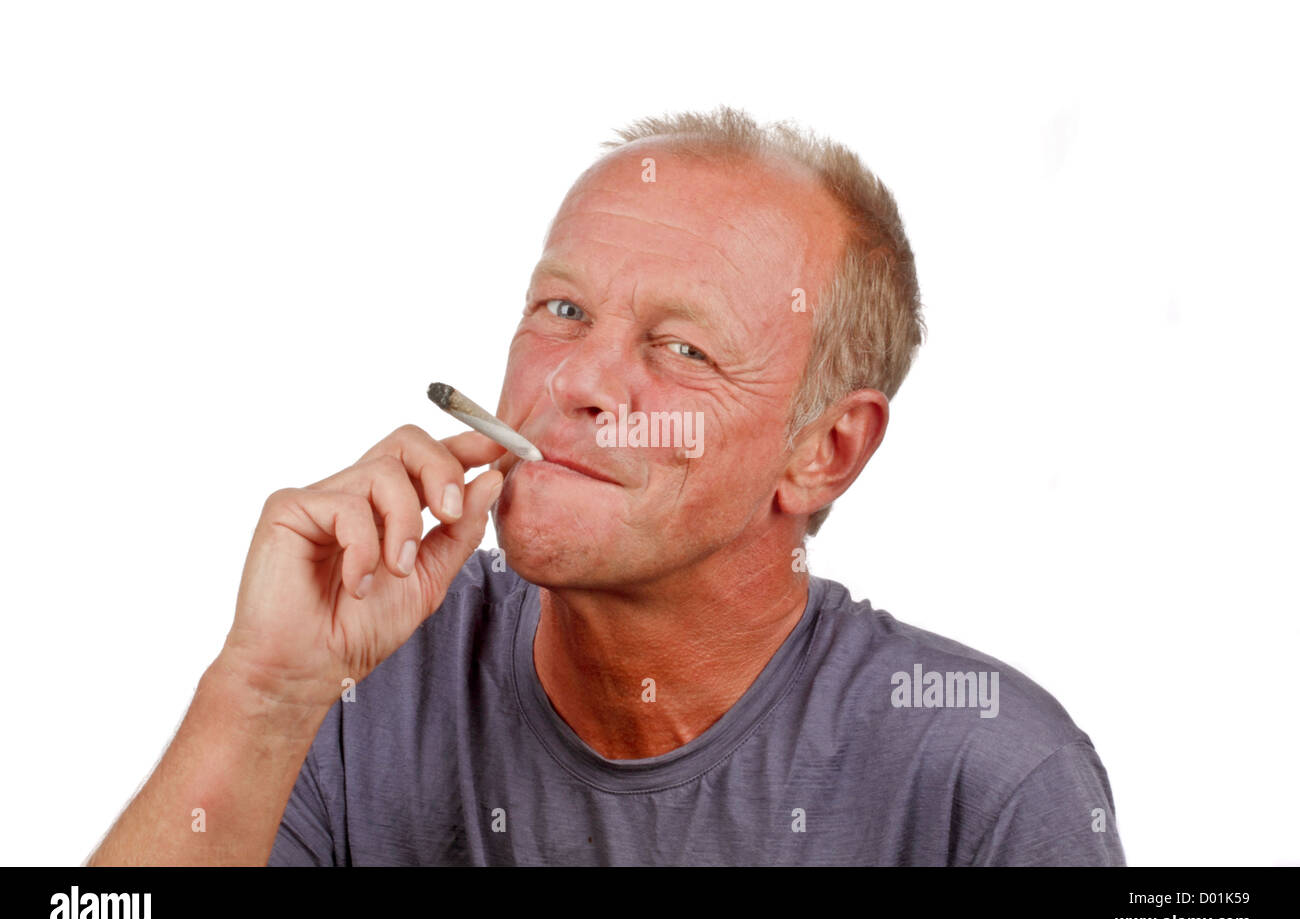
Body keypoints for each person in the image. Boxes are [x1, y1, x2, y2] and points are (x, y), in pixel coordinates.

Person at [87, 107, 1125, 866]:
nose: (574, 380)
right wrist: (263, 694)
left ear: (824, 450)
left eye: (681, 348)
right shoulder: (365, 677)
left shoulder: (986, 778)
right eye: (563, 311)